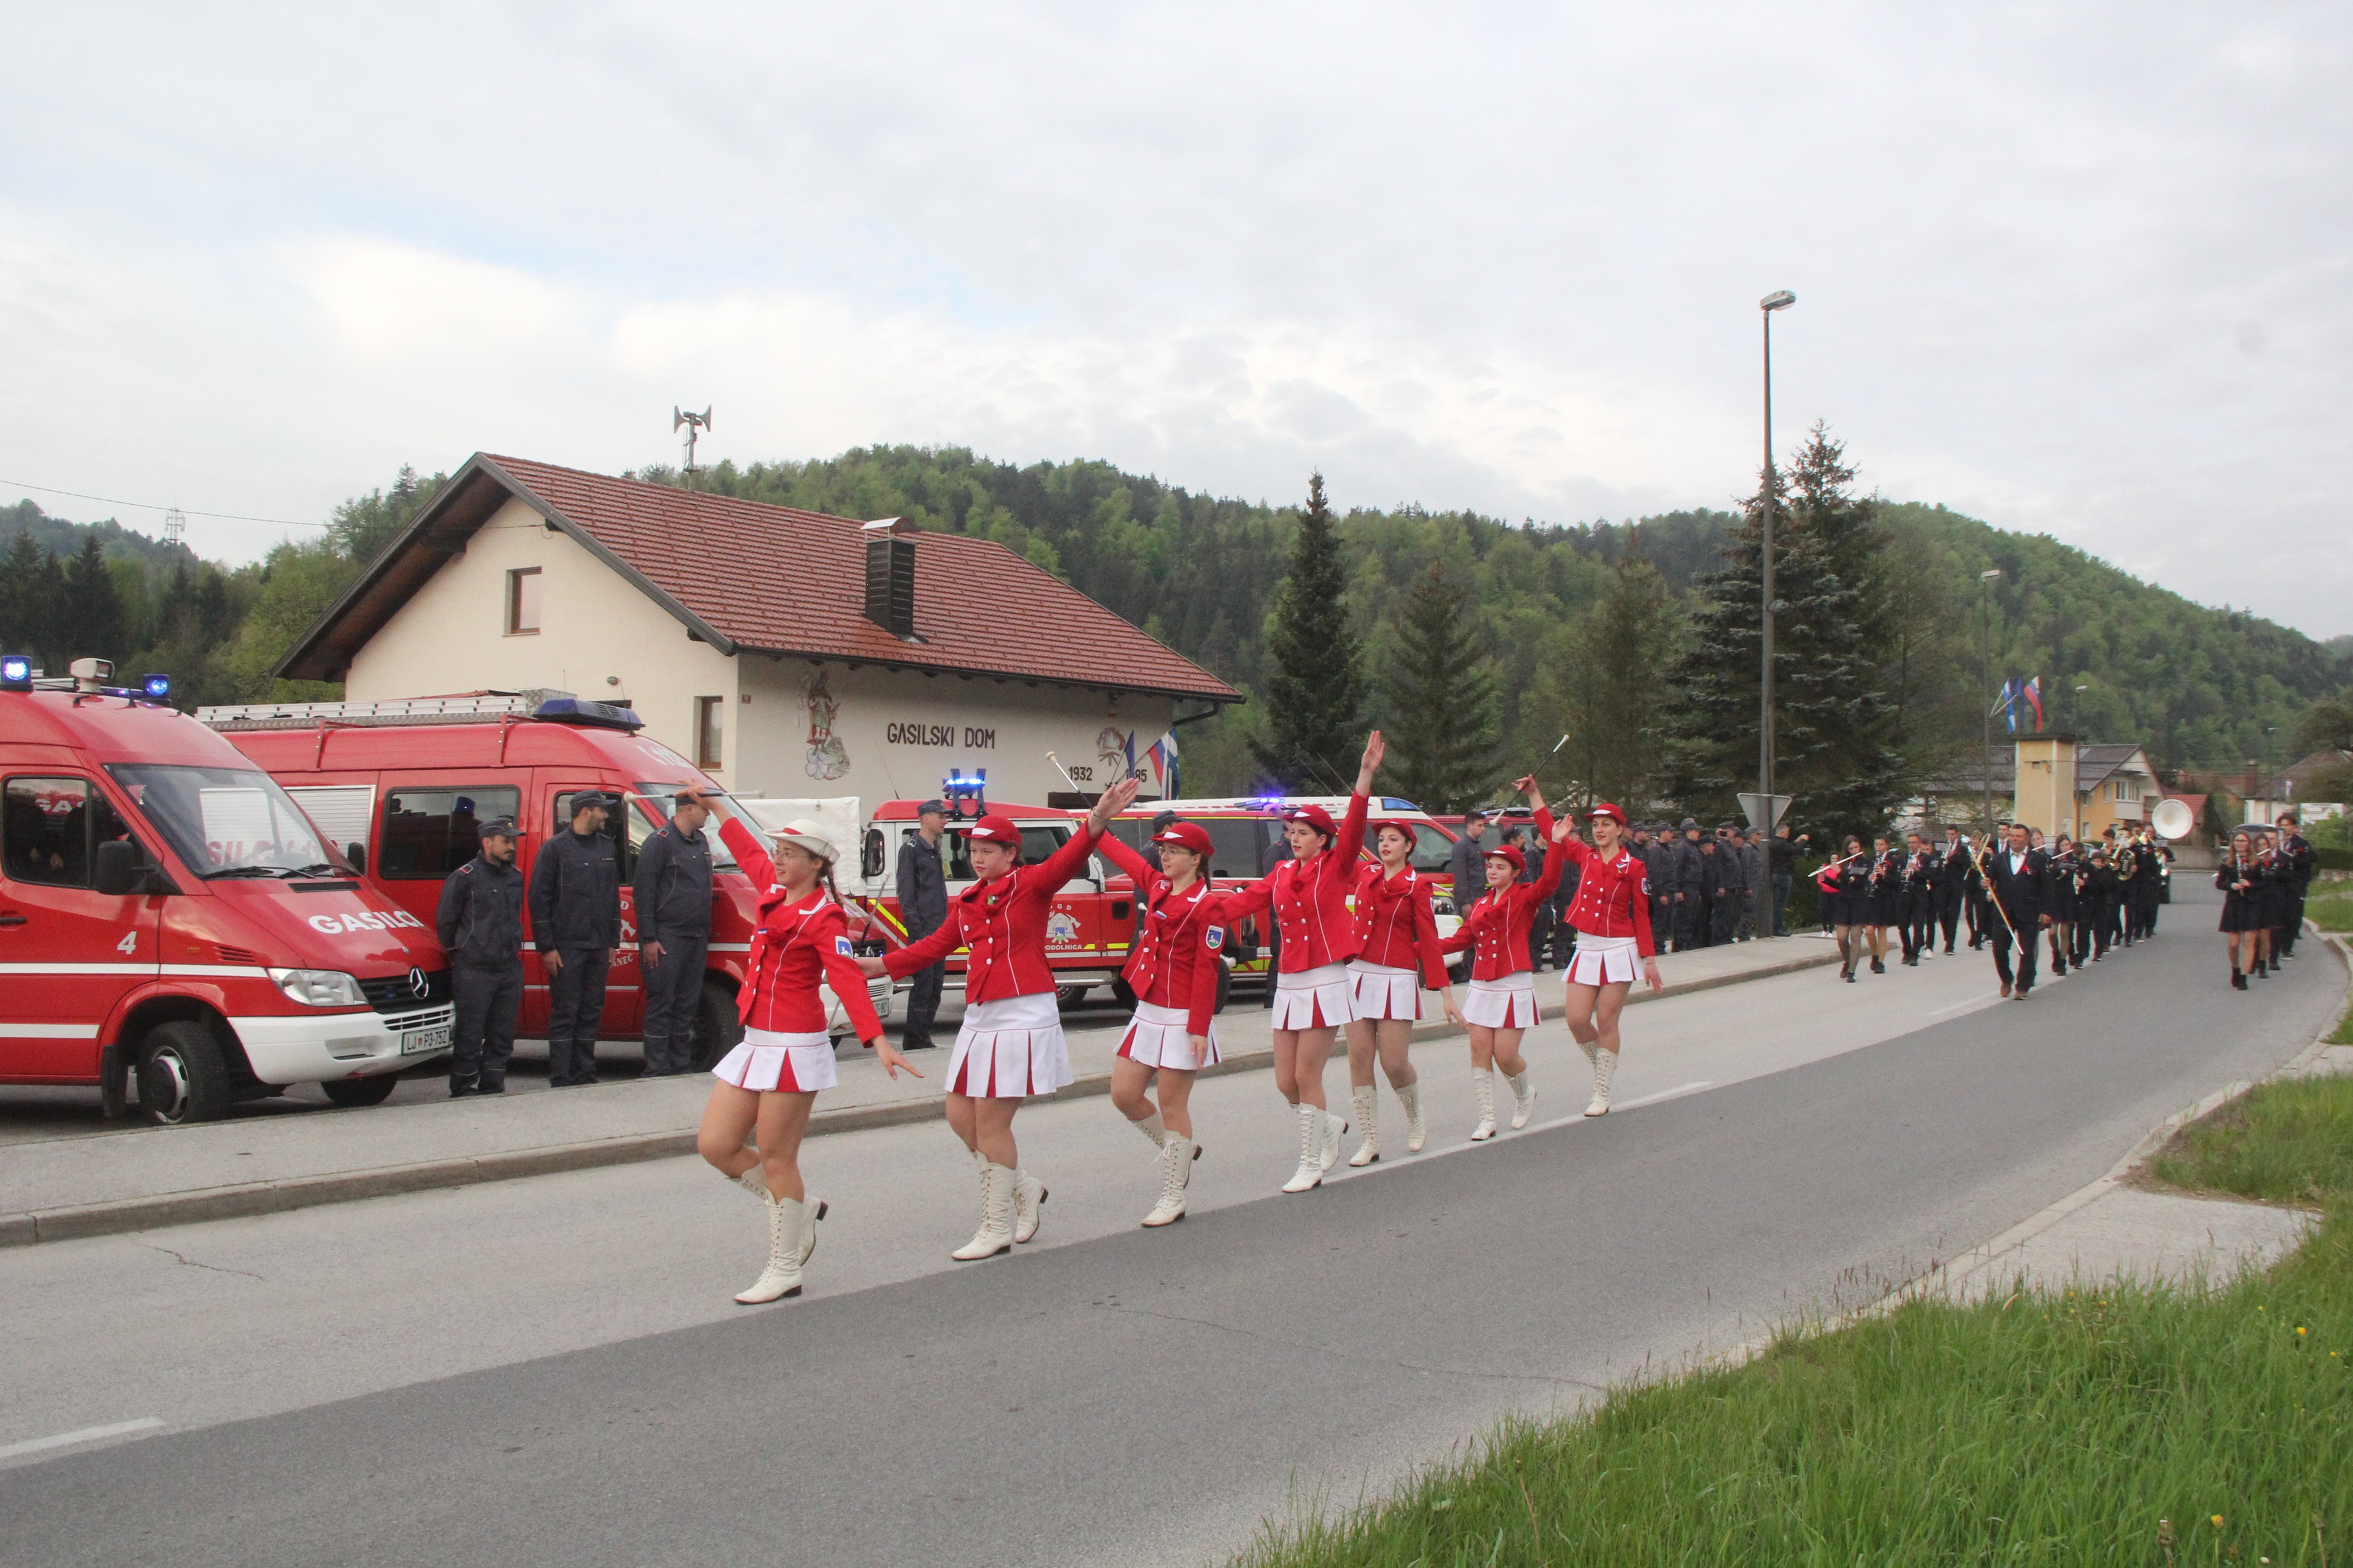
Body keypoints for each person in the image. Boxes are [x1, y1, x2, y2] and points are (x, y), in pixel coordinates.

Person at [858, 778, 1142, 1257]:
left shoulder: (1033, 885)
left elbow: (1069, 857)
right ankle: (1023, 1187)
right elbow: (935, 946)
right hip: (981, 1017)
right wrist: (882, 965)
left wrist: (1098, 818)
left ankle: (995, 1227)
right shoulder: (969, 901)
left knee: (991, 1124)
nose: (979, 857)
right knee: (958, 1114)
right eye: (974, 850)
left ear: (1012, 854)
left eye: (990, 850)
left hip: (1023, 1014)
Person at [692, 798, 914, 1303]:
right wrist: (715, 807)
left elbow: (846, 978)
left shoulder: (824, 918)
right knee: (716, 1145)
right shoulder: (773, 890)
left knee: (775, 1156)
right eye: (780, 850)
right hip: (756, 1042)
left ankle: (785, 1264)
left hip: (795, 1045)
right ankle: (798, 1210)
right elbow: (747, 852)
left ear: (816, 864)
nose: (779, 859)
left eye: (791, 853)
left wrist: (877, 1039)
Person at [1218, 732, 1386, 1192]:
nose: (1293, 839)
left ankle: (1311, 1162)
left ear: (1323, 840)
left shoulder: (1337, 866)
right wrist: (1188, 908)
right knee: (1284, 1082)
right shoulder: (1280, 873)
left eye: (1303, 833)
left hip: (1326, 978)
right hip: (1291, 981)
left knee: (1306, 1074)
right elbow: (1240, 902)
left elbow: (1353, 826)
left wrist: (1365, 775)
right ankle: (1329, 1127)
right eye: (1290, 832)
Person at [1094, 818, 1228, 1226]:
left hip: (1184, 1016)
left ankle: (1173, 1194)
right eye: (1162, 851)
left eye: (1173, 852)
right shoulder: (1159, 887)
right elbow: (1128, 859)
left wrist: (1199, 1028)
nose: (1164, 856)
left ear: (1196, 859)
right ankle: (1181, 1150)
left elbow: (1207, 969)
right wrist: (1096, 824)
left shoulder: (1209, 905)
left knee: (1173, 1105)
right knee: (1124, 1094)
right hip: (1149, 1009)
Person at [1439, 777, 1567, 1139]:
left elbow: (1551, 882)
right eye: (1490, 866)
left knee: (1506, 1056)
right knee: (1480, 1051)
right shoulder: (1479, 904)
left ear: (1514, 872)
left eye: (1499, 867)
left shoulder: (1525, 897)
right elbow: (1463, 939)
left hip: (1512, 982)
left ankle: (1525, 1093)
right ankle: (1487, 1118)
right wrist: (1420, 950)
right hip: (1482, 982)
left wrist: (1556, 843)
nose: (1492, 871)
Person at [1341, 819, 1458, 1164]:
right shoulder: (1365, 875)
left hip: (1396, 977)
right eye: (1381, 839)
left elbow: (1430, 940)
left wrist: (1445, 993)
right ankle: (1370, 1139)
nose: (1385, 844)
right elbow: (1342, 854)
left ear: (1409, 846)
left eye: (1394, 839)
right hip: (1359, 973)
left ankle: (1415, 1114)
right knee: (1359, 1059)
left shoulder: (1418, 885)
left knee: (1394, 1063)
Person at [1549, 801, 1662, 1115]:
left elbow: (1641, 915)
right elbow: (1553, 829)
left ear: (1620, 830)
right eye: (1596, 825)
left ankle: (1601, 1089)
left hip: (1620, 948)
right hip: (1586, 946)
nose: (1599, 830)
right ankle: (1604, 1064)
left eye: (1606, 825)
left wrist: (1649, 961)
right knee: (1576, 1019)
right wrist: (1534, 794)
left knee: (1606, 1019)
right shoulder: (1585, 857)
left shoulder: (1634, 867)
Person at [529, 791, 623, 1087]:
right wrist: (547, 947)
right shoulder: (555, 849)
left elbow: (612, 897)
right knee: (566, 1010)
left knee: (591, 1009)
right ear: (585, 812)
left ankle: (584, 1072)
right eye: (601, 811)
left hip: (597, 945)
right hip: (567, 946)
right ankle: (561, 1075)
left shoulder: (606, 847)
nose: (606, 816)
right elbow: (538, 899)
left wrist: (612, 941)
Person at [436, 816, 527, 1096]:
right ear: (487, 842)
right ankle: (463, 1088)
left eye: (513, 841)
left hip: (508, 968)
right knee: (471, 1034)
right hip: (474, 969)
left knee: (502, 1035)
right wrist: (461, 952)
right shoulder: (465, 877)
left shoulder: (516, 877)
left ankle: (493, 1086)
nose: (512, 846)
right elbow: (446, 922)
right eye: (506, 841)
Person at [634, 790, 715, 1076]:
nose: (709, 814)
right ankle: (657, 1068)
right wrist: (649, 939)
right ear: (688, 809)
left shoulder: (700, 842)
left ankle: (680, 1066)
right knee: (663, 1001)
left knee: (686, 1004)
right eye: (705, 809)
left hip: (696, 936)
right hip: (667, 936)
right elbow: (643, 893)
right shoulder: (659, 843)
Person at [894, 799, 950, 1052]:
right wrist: (917, 935)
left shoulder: (934, 849)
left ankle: (924, 1036)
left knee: (935, 985)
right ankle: (915, 1039)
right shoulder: (911, 850)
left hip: (938, 929)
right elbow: (907, 896)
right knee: (923, 986)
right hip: (924, 932)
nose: (945, 820)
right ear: (926, 819)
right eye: (941, 816)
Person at [1981, 822, 2051, 1000]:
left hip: (2028, 911)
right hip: (2004, 912)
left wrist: (2046, 910)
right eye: (2012, 835)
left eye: (2018, 836)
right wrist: (1985, 883)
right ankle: (2006, 978)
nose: (2014, 839)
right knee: (1999, 949)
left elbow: (2047, 888)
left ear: (2026, 839)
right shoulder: (1999, 859)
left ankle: (2023, 986)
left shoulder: (2038, 860)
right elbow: (1988, 878)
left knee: (2026, 951)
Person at [2216, 829, 2268, 991]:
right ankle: (2236, 970)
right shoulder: (2227, 862)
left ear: (2249, 844)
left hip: (2251, 904)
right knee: (2234, 944)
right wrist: (2232, 885)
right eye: (2238, 841)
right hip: (2234, 904)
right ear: (2234, 844)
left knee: (2249, 940)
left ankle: (2244, 977)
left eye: (2244, 841)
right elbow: (2219, 883)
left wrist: (2250, 884)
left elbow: (2264, 883)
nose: (2240, 844)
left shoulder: (2256, 862)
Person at [1822, 837, 1870, 982]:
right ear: (1847, 850)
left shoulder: (1865, 863)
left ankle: (1851, 972)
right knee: (1842, 938)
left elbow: (1857, 883)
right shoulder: (1844, 863)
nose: (1855, 851)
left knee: (1855, 937)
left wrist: (1840, 873)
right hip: (1843, 903)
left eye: (1857, 847)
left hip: (1858, 902)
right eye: (1851, 849)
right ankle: (1848, 961)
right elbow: (1840, 885)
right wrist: (1825, 878)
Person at [2275, 813, 2315, 961]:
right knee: (2278, 915)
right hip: (2278, 883)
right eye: (2281, 825)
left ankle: (2287, 947)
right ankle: (2276, 945)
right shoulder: (2275, 841)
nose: (2283, 828)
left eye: (2286, 825)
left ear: (2293, 827)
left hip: (2295, 884)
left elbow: (2308, 860)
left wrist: (2292, 858)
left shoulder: (2300, 843)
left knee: (2292, 916)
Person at [2043, 834, 2078, 978]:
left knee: (2065, 933)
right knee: (2052, 932)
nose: (2065, 848)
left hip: (2068, 897)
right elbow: (2049, 875)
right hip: (2054, 897)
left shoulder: (2074, 861)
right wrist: (2056, 869)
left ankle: (2062, 962)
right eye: (2062, 846)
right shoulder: (2053, 861)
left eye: (2067, 845)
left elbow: (2073, 875)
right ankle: (2056, 953)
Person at [1768, 823, 1806, 939]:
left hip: (1776, 874)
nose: (1788, 835)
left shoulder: (1774, 843)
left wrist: (1796, 842)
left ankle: (1777, 926)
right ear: (1783, 832)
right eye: (1787, 833)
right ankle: (1777, 927)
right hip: (1783, 875)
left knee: (1776, 902)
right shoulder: (1781, 843)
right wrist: (1803, 841)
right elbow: (1796, 850)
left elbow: (1790, 849)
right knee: (1781, 903)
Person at [1446, 810, 1491, 907]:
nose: (1483, 829)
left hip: (1480, 895)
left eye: (1483, 825)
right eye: (1480, 826)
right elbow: (1460, 876)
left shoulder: (1478, 846)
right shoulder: (1461, 846)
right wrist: (1465, 903)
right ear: (1470, 826)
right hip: (1469, 898)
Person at [1936, 826, 1969, 955]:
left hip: (1956, 885)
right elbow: (1936, 860)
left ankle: (1950, 945)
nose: (1950, 836)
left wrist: (1953, 856)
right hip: (1943, 884)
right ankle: (1947, 936)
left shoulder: (1962, 848)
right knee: (1943, 913)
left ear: (1957, 835)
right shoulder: (1942, 846)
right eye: (1948, 834)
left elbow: (1966, 863)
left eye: (1952, 834)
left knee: (1953, 915)